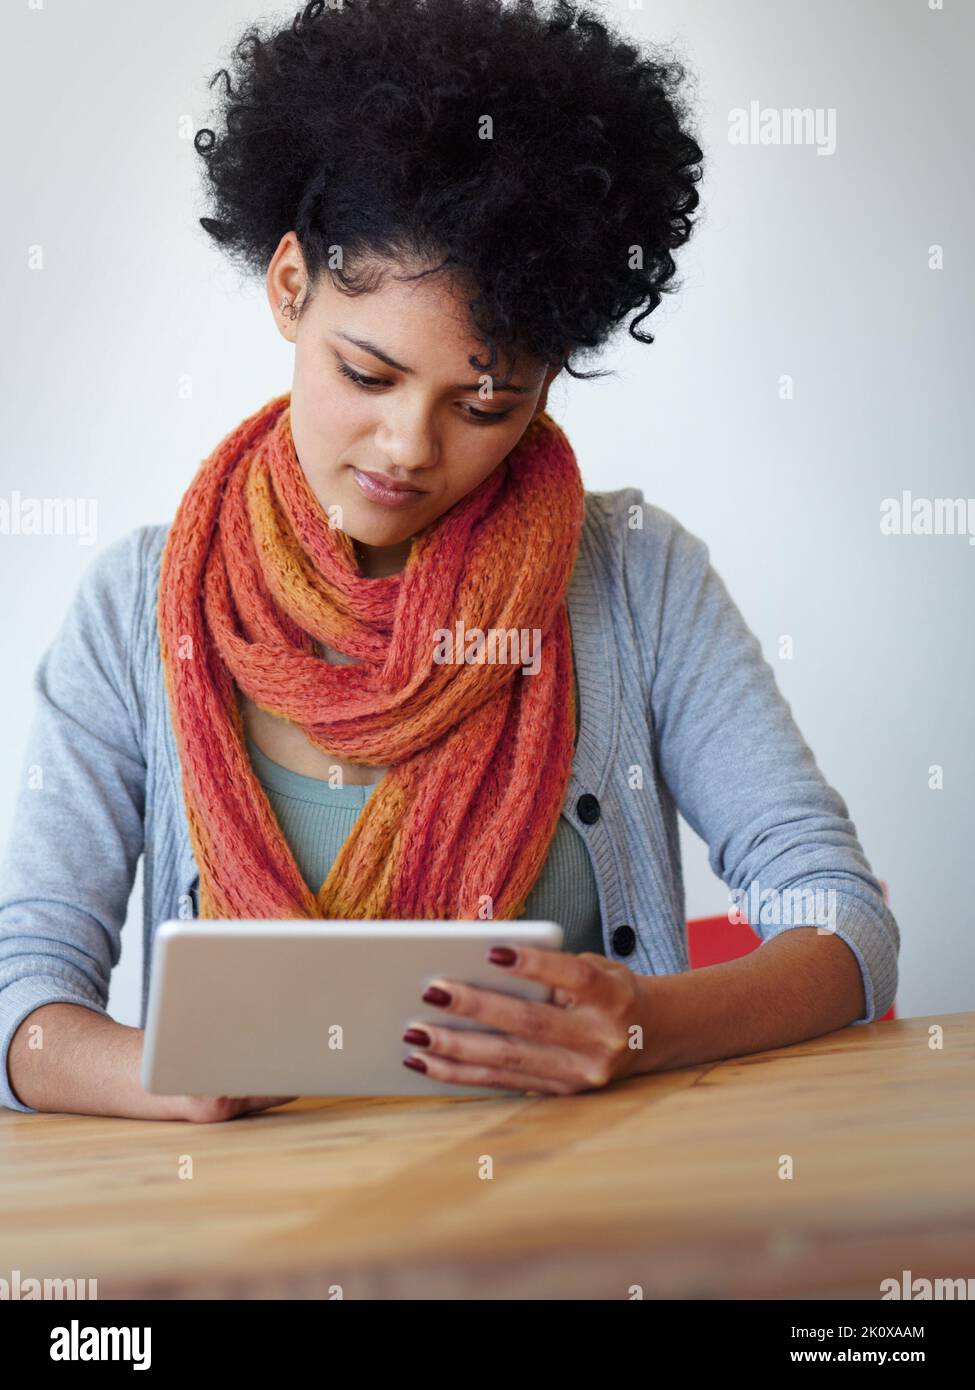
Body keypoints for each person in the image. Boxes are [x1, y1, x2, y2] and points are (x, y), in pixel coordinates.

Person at [0, 0, 898, 1122]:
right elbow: (23, 997)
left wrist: (641, 1022)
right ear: (290, 287)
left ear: (548, 381)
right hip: (243, 1253)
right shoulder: (137, 608)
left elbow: (838, 916)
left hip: (584, 1236)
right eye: (368, 376)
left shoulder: (633, 577)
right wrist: (168, 1078)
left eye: (485, 403)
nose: (410, 449)